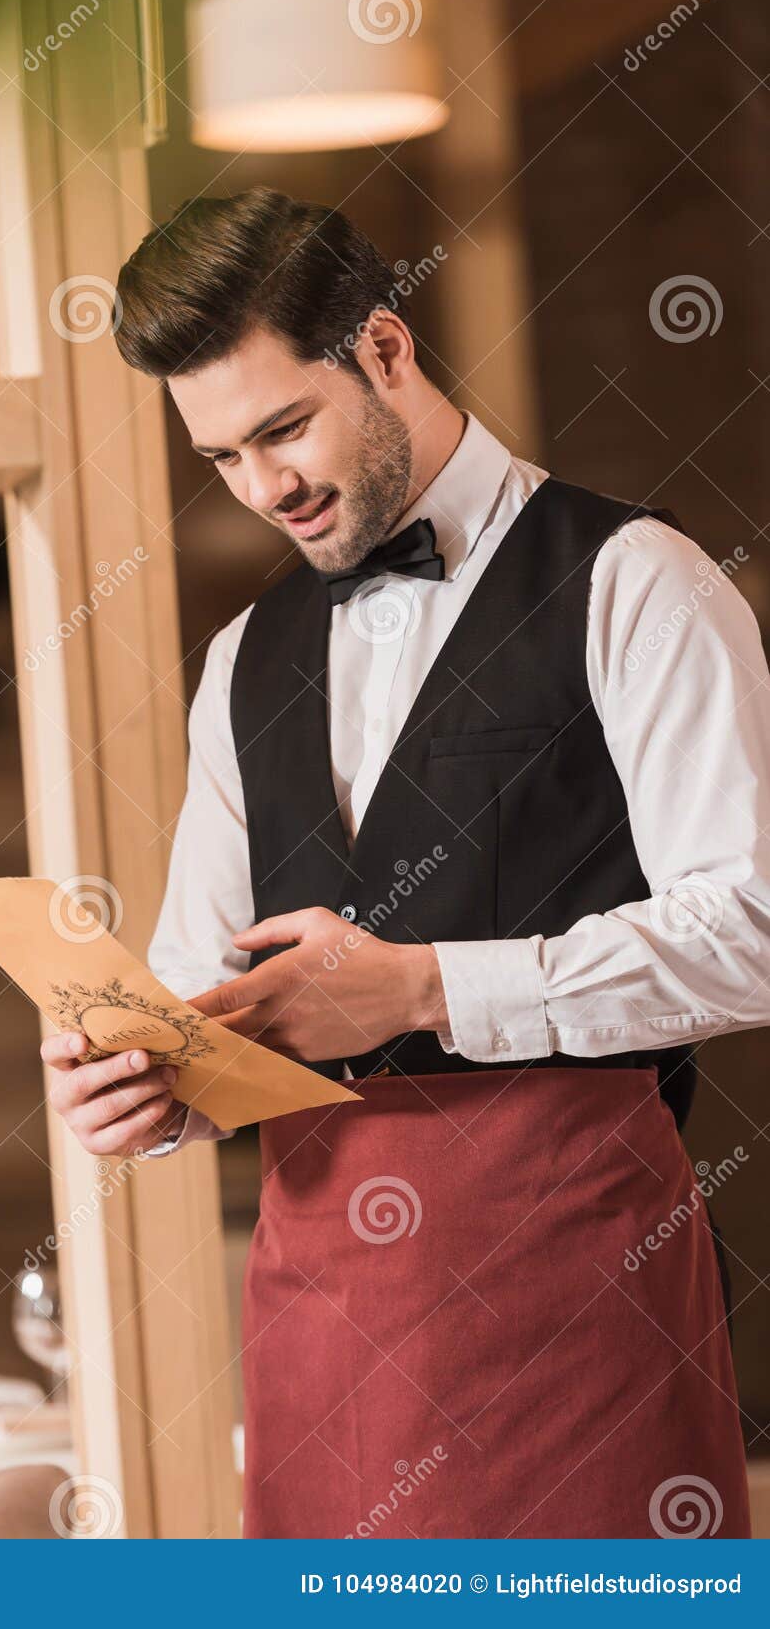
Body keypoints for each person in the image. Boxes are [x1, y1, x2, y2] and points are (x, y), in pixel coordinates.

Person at [44, 188, 770, 1539]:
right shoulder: (239, 666)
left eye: (283, 428)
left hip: (579, 1292)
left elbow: (752, 930)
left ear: (385, 349)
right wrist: (148, 1078)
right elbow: (208, 992)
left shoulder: (639, 583)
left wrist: (426, 986)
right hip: (322, 1309)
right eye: (223, 460)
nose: (266, 488)